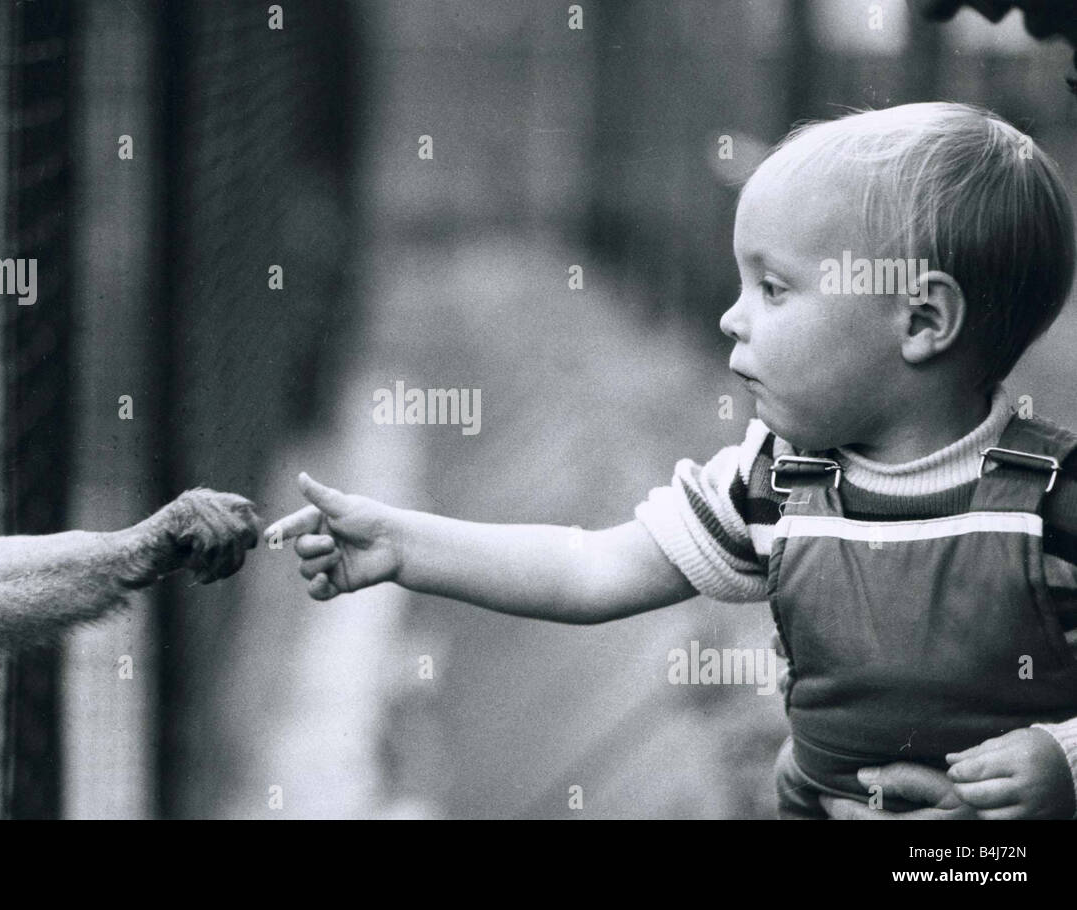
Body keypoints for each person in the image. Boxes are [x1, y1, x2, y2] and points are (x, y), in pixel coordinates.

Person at [269, 102, 1077, 819]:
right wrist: (405, 546)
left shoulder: (1048, 503)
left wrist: (1063, 763)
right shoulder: (776, 483)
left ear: (922, 318)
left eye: (774, 289)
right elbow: (587, 566)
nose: (731, 317)